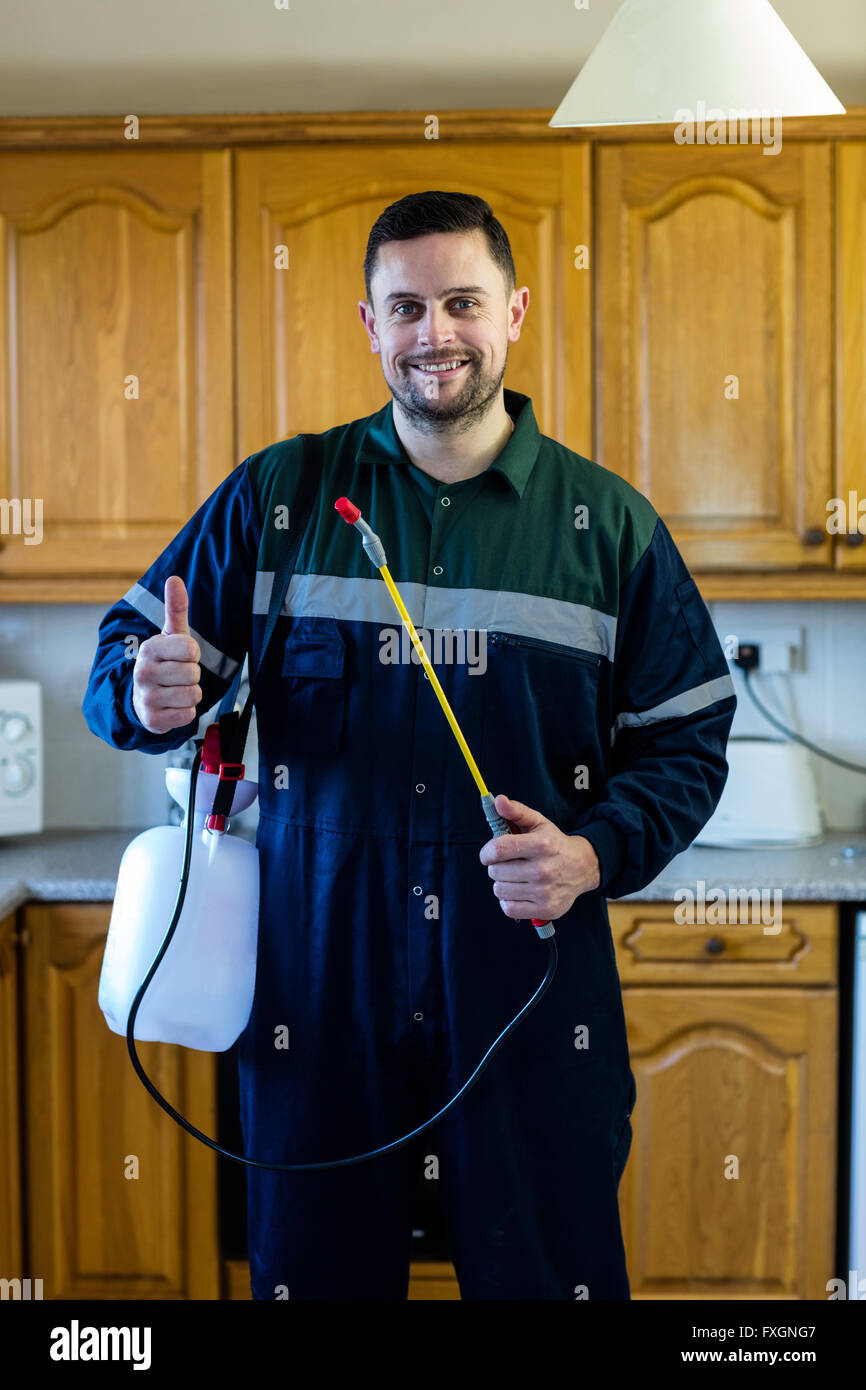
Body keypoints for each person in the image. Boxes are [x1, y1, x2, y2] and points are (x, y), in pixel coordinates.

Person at [82, 189, 736, 1301]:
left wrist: (594, 853)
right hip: (314, 988)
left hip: (527, 987)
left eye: (462, 302)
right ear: (369, 323)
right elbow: (130, 663)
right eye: (407, 306)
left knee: (547, 1277)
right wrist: (149, 696)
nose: (435, 332)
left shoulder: (607, 526)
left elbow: (687, 742)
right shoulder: (280, 497)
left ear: (515, 313)